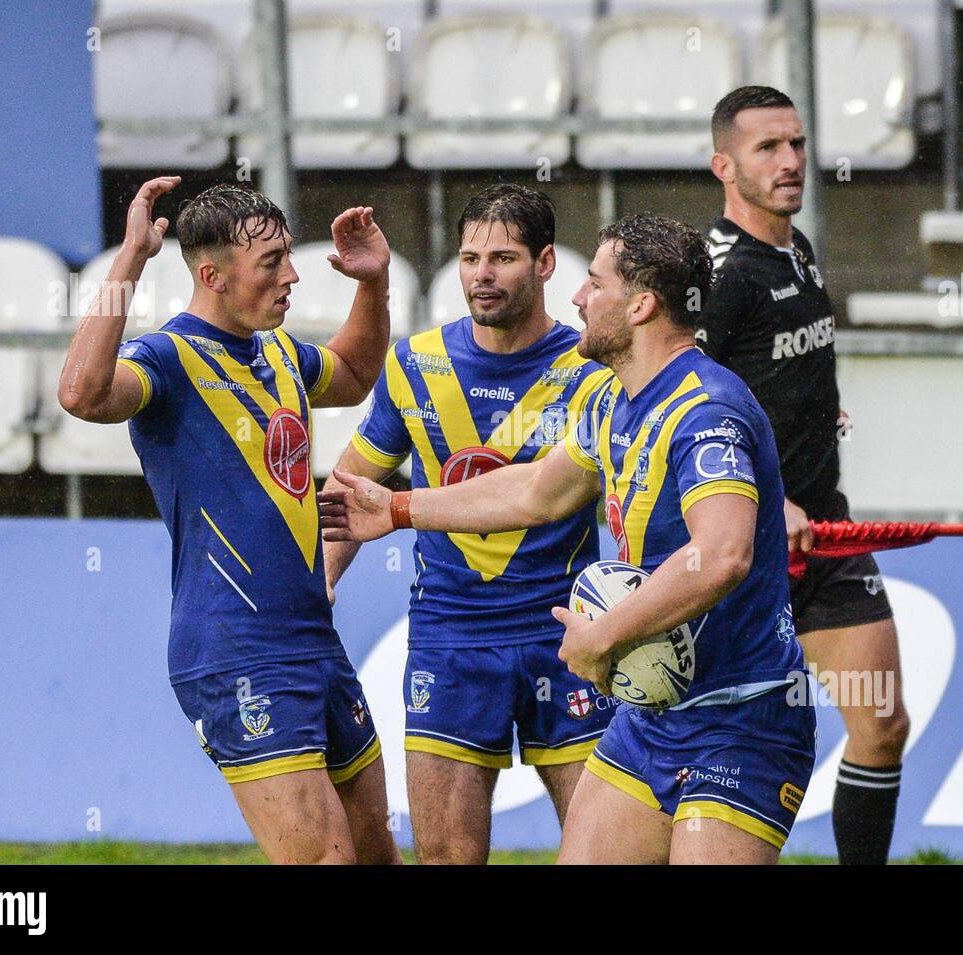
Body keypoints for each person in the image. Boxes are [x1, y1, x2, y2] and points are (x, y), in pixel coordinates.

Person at [322, 213, 815, 865]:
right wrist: (400, 507)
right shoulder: (612, 400)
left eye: (595, 282)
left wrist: (605, 634)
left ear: (639, 305)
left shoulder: (705, 410)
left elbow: (720, 555)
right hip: (651, 716)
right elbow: (535, 491)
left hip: (741, 718)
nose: (579, 298)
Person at [58, 178, 400, 865]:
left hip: (314, 640)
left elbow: (357, 373)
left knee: (375, 854)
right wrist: (130, 257)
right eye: (272, 261)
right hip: (236, 654)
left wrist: (373, 283)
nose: (293, 274)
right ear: (211, 275)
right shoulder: (168, 359)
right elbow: (81, 393)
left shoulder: (278, 354)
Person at [321, 184, 613, 864]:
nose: (482, 274)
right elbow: (349, 490)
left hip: (568, 637)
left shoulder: (591, 371)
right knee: (448, 857)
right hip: (449, 639)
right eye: (470, 256)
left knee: (608, 852)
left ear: (545, 264)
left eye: (504, 257)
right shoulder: (416, 365)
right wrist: (321, 586)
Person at [697, 85, 909, 865]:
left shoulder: (797, 248)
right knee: (717, 750)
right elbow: (683, 403)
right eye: (767, 148)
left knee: (881, 723)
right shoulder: (722, 275)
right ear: (725, 164)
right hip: (740, 548)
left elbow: (774, 373)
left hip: (830, 533)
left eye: (797, 144)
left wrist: (821, 413)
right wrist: (771, 495)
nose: (791, 162)